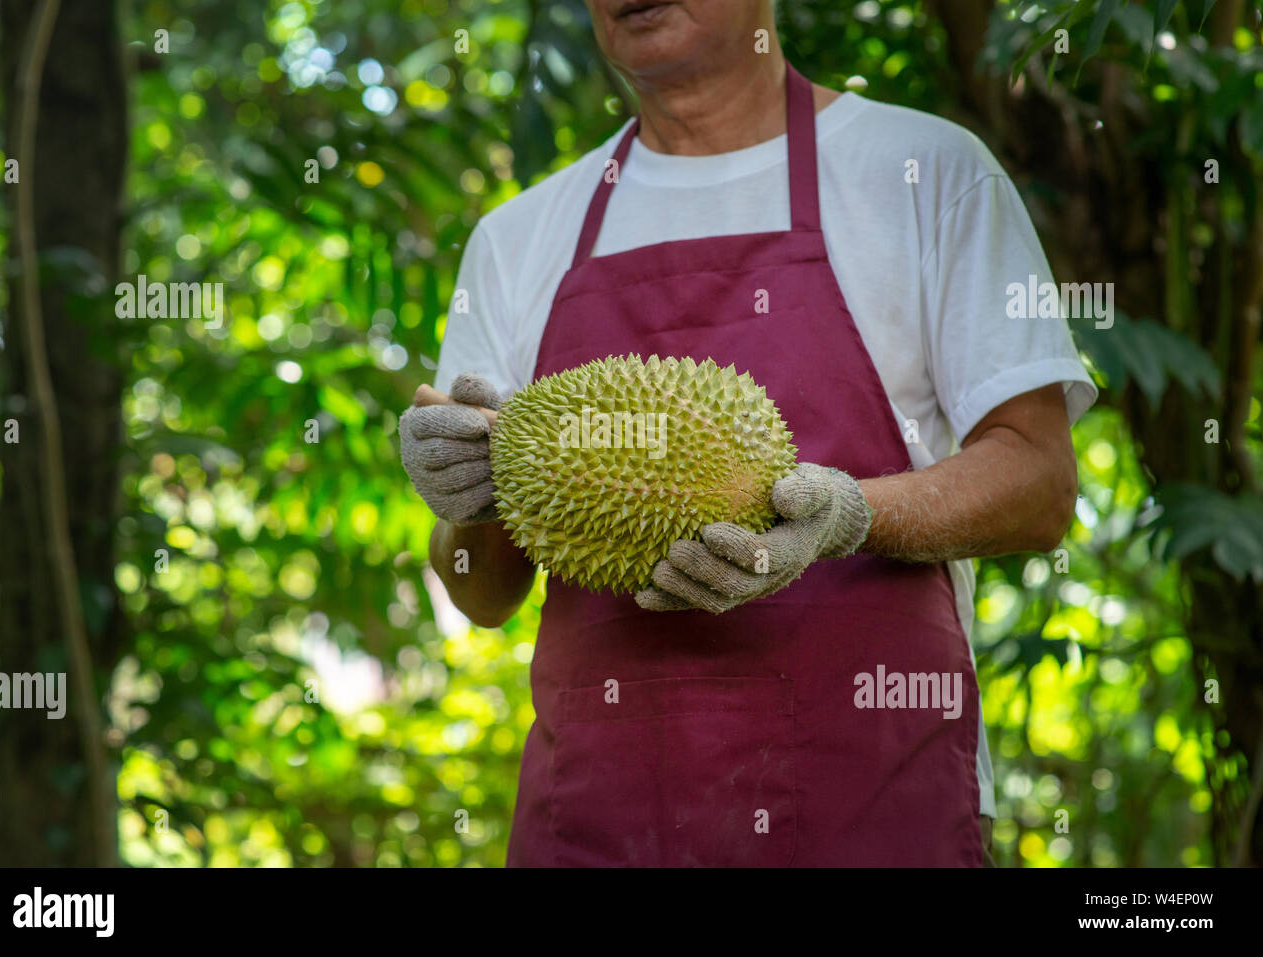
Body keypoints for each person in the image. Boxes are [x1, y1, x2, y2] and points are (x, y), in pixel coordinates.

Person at [399, 0, 1096, 866]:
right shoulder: (517, 237)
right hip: (596, 828)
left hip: (873, 814)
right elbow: (481, 593)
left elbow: (1040, 480)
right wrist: (469, 504)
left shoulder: (926, 171)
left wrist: (848, 514)